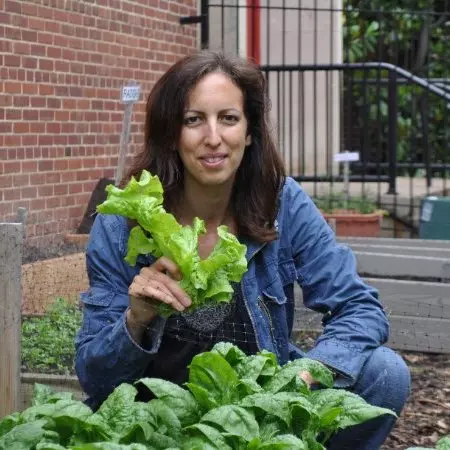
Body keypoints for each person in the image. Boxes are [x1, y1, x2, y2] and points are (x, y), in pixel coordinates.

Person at [75, 51, 410, 449]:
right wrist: (136, 319)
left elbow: (359, 308)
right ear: (171, 133)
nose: (213, 137)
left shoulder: (281, 202)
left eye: (228, 119)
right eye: (193, 120)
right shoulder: (121, 221)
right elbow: (95, 378)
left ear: (249, 132)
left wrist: (306, 375)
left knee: (385, 373)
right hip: (159, 421)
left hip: (258, 415)